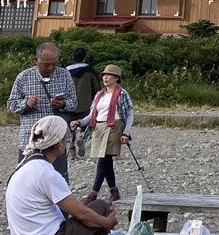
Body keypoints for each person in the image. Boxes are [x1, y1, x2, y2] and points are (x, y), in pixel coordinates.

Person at [7, 42, 78, 177]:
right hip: (31, 139)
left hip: (56, 140)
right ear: (36, 60)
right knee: (27, 179)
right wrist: (26, 104)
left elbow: (74, 103)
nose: (51, 68)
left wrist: (62, 104)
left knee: (58, 178)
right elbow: (11, 105)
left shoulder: (65, 75)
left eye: (54, 64)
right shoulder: (23, 77)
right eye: (46, 65)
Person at [71, 64, 133, 204]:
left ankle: (94, 193)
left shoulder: (122, 94)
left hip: (114, 126)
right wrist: (79, 122)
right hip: (98, 127)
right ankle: (114, 191)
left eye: (109, 75)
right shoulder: (99, 94)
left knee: (103, 158)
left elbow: (129, 115)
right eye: (104, 75)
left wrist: (126, 133)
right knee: (106, 160)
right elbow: (93, 114)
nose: (105, 77)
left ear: (116, 78)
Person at [66, 49, 102, 159]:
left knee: (71, 125)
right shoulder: (89, 70)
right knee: (88, 124)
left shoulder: (66, 71)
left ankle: (71, 146)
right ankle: (82, 139)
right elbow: (96, 87)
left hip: (70, 104)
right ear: (84, 57)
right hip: (85, 103)